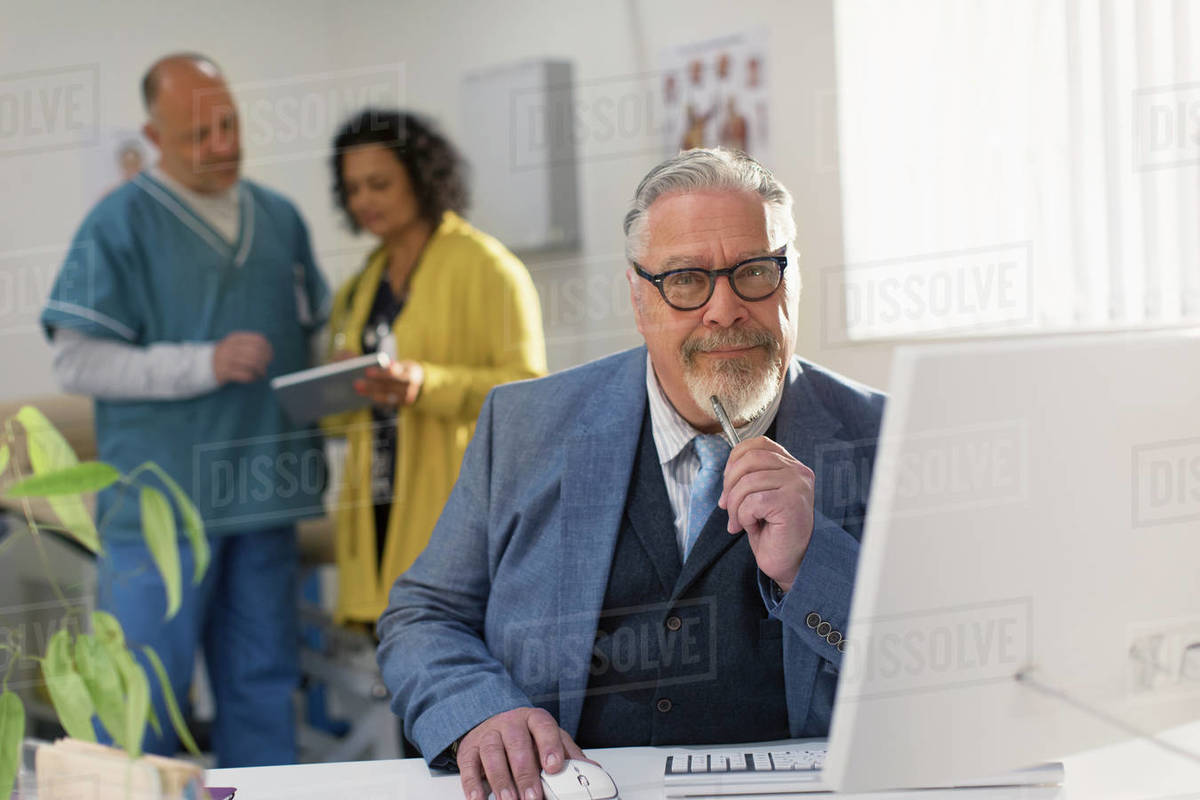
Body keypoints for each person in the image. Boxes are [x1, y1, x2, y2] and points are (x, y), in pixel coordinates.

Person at [377, 147, 885, 800]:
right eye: (685, 280)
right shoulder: (525, 424)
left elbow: (950, 680)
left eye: (755, 271)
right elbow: (423, 616)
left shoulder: (884, 438)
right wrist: (479, 711)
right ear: (638, 298)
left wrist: (812, 564)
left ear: (793, 280)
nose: (725, 309)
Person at [41, 53, 330, 767]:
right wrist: (202, 363)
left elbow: (312, 337)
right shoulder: (119, 222)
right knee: (138, 705)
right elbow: (76, 358)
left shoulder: (280, 219)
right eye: (201, 135)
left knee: (263, 695)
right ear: (154, 135)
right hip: (159, 511)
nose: (224, 146)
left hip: (262, 498)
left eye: (230, 125)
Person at [323, 109, 546, 625]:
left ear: (420, 179)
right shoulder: (360, 287)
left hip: (452, 505)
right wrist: (338, 386)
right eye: (352, 189)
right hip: (376, 505)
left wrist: (428, 383)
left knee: (450, 660)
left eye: (378, 183)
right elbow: (342, 421)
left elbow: (530, 394)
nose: (364, 201)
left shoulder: (489, 268)